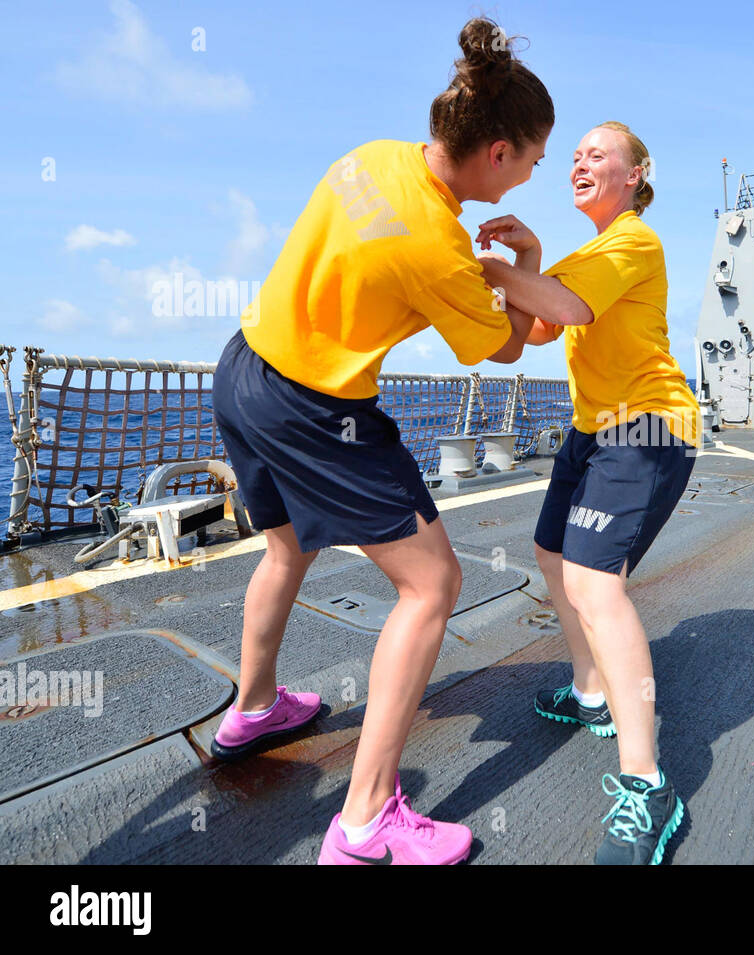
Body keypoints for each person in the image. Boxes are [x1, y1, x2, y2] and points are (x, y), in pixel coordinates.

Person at [208, 17, 565, 865]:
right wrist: (529, 261)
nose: (535, 175)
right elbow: (510, 346)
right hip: (317, 409)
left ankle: (255, 707)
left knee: (285, 549)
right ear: (501, 154)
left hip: (243, 368)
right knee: (431, 582)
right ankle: (366, 819)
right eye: (536, 160)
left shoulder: (371, 156)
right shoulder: (438, 245)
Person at [475, 121, 702, 865]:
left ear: (635, 175)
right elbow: (538, 330)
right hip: (592, 428)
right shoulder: (585, 255)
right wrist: (530, 260)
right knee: (550, 551)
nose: (578, 160)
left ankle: (648, 784)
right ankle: (591, 694)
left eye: (597, 153)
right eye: (574, 155)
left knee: (594, 582)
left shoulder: (635, 241)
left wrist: (485, 268)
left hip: (646, 425)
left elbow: (564, 311)